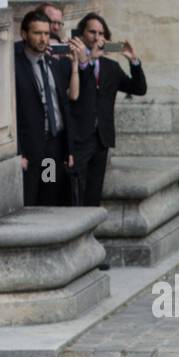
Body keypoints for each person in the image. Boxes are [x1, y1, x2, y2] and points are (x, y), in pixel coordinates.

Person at [14, 9, 88, 207]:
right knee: (29, 201)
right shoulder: (14, 66)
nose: (43, 38)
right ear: (24, 34)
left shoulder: (52, 64)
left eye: (46, 34)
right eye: (37, 33)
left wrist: (69, 148)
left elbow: (64, 106)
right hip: (29, 151)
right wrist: (17, 152)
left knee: (49, 199)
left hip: (52, 148)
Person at [74, 14, 146, 209]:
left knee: (93, 194)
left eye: (101, 33)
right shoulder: (72, 61)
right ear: (81, 35)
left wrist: (133, 61)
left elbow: (139, 89)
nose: (97, 38)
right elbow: (74, 94)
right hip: (78, 138)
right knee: (74, 191)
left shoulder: (111, 67)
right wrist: (88, 60)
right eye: (92, 32)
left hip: (101, 138)